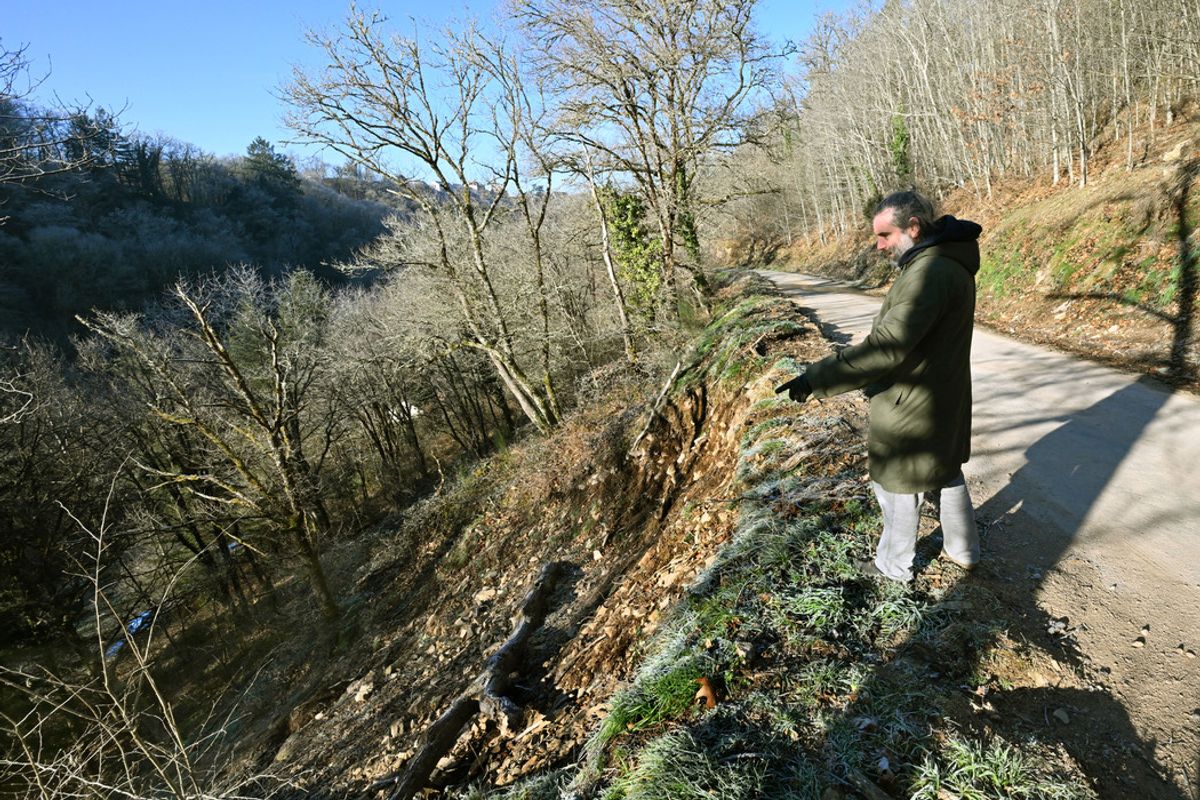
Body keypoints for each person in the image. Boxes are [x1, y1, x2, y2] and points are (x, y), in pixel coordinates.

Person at [775, 190, 982, 582]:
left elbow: (886, 348)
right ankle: (964, 550)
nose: (879, 245)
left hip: (913, 403)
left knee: (897, 485)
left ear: (913, 228)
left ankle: (892, 567)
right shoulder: (949, 262)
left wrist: (817, 377)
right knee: (945, 470)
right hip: (943, 394)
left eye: (885, 235)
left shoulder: (929, 273)